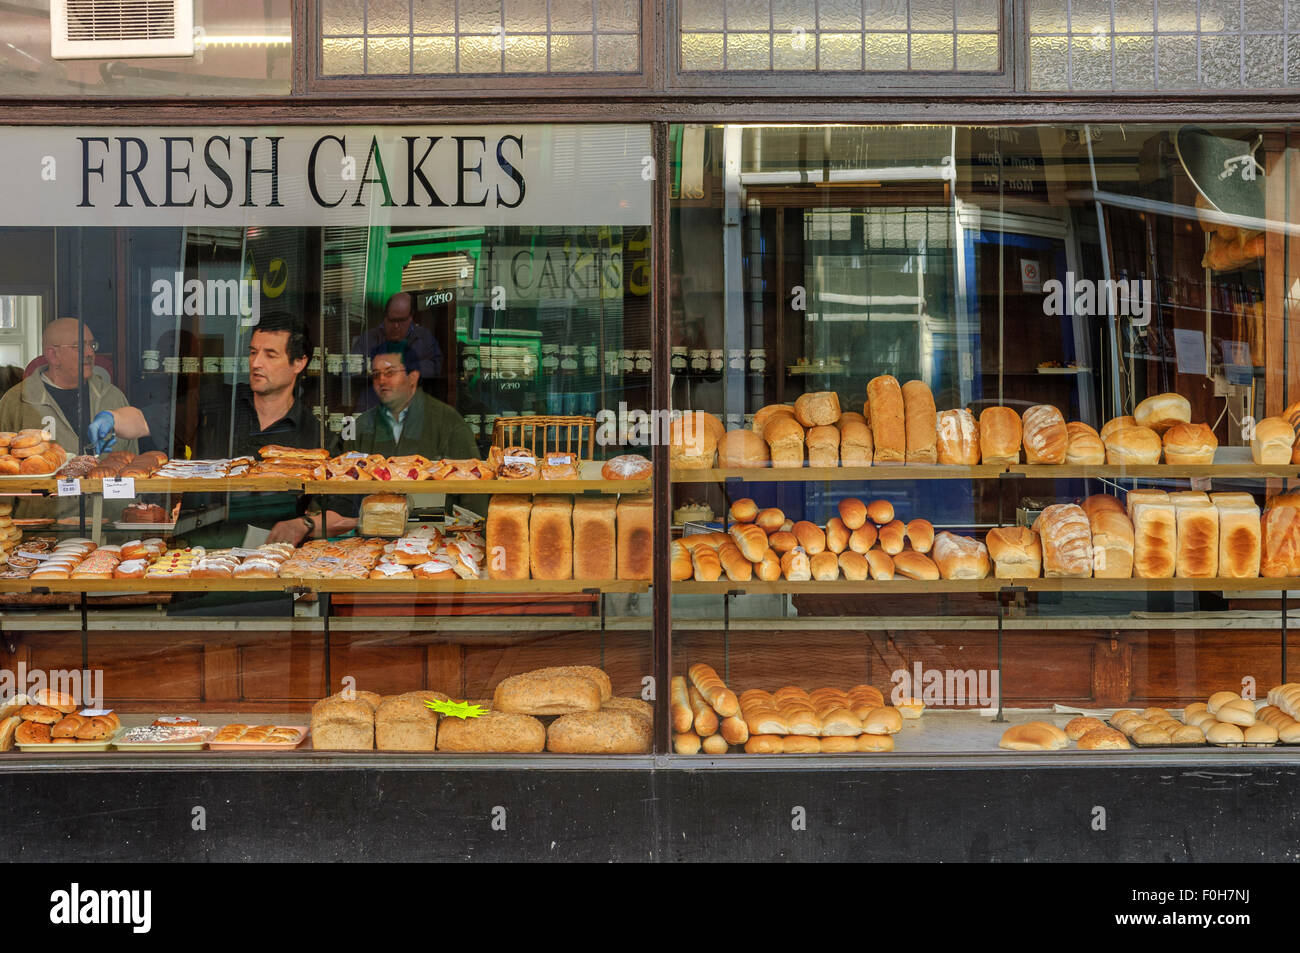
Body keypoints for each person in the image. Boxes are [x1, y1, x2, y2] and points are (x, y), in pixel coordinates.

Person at [0, 317, 137, 457]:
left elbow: (132, 464)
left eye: (92, 345)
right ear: (53, 355)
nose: (90, 353)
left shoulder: (113, 397)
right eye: (79, 346)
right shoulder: (17, 401)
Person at [346, 340, 477, 460]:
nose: (381, 381)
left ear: (413, 377)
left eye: (390, 372)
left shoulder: (447, 421)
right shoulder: (362, 425)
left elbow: (471, 477)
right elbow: (344, 475)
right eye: (375, 374)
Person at [350, 292, 443, 411]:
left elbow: (436, 367)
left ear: (411, 317)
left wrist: (405, 367)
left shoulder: (424, 337)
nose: (396, 326)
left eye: (402, 320)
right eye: (392, 320)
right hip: (374, 408)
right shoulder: (369, 338)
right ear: (385, 317)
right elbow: (351, 369)